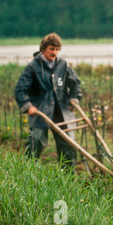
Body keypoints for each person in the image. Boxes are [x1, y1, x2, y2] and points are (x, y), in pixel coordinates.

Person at [14, 32, 82, 169]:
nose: (54, 52)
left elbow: (75, 84)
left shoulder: (63, 64)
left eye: (57, 49)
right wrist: (28, 107)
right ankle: (27, 171)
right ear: (43, 48)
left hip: (61, 109)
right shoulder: (33, 66)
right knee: (36, 141)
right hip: (40, 109)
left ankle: (68, 176)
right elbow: (20, 90)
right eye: (51, 49)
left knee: (68, 143)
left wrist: (74, 99)